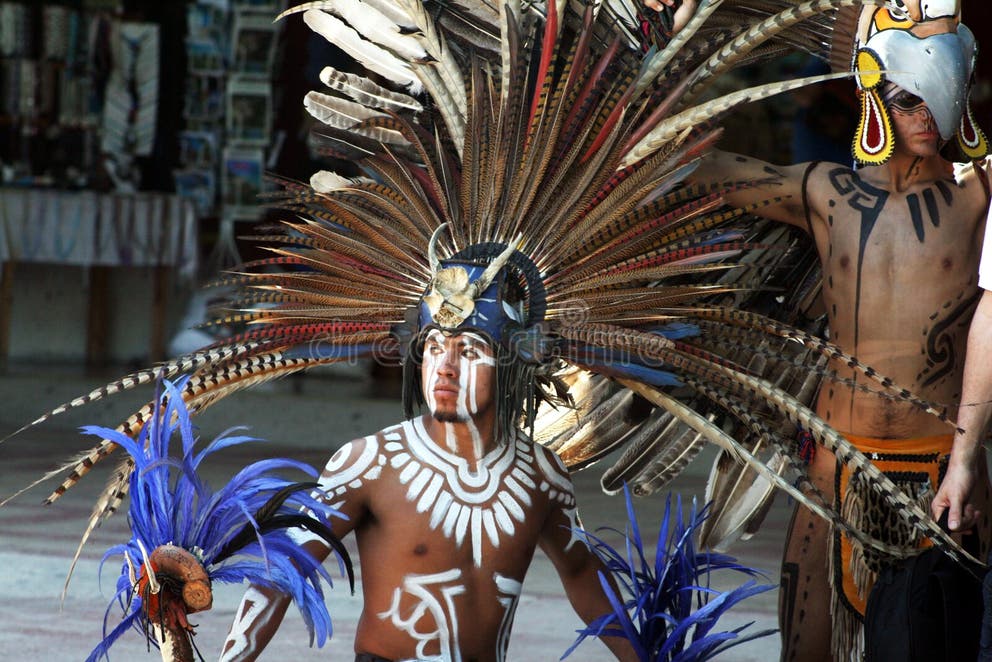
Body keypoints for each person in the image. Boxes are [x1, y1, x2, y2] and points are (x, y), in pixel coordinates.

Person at [641, 1, 992, 660]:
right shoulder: (824, 193)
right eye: (907, 101)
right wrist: (653, 76)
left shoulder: (980, 195)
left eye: (934, 101)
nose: (924, 118)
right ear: (877, 98)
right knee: (804, 652)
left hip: (942, 479)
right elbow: (688, 172)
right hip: (832, 476)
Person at [218, 254, 638, 660]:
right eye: (435, 347)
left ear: (511, 364)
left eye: (469, 351)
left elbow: (582, 572)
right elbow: (282, 575)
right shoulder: (370, 463)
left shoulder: (543, 475)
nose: (446, 367)